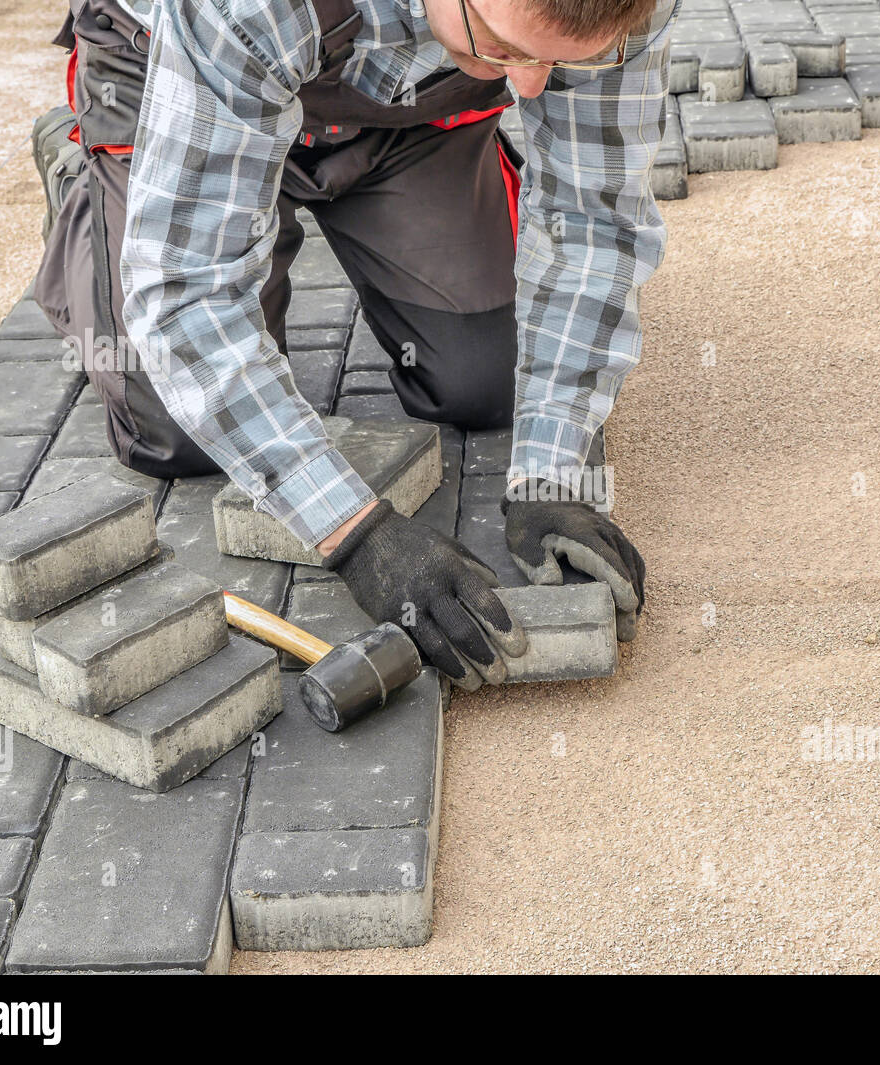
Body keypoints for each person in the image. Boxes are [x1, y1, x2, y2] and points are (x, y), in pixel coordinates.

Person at [35, 0, 674, 690]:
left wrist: (550, 466)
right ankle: (91, 181)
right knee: (173, 428)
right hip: (178, 82)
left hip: (406, 112)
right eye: (505, 49)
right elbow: (187, 294)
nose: (531, 90)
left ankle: (364, 188)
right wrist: (355, 532)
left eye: (561, 59)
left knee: (490, 380)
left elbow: (594, 224)